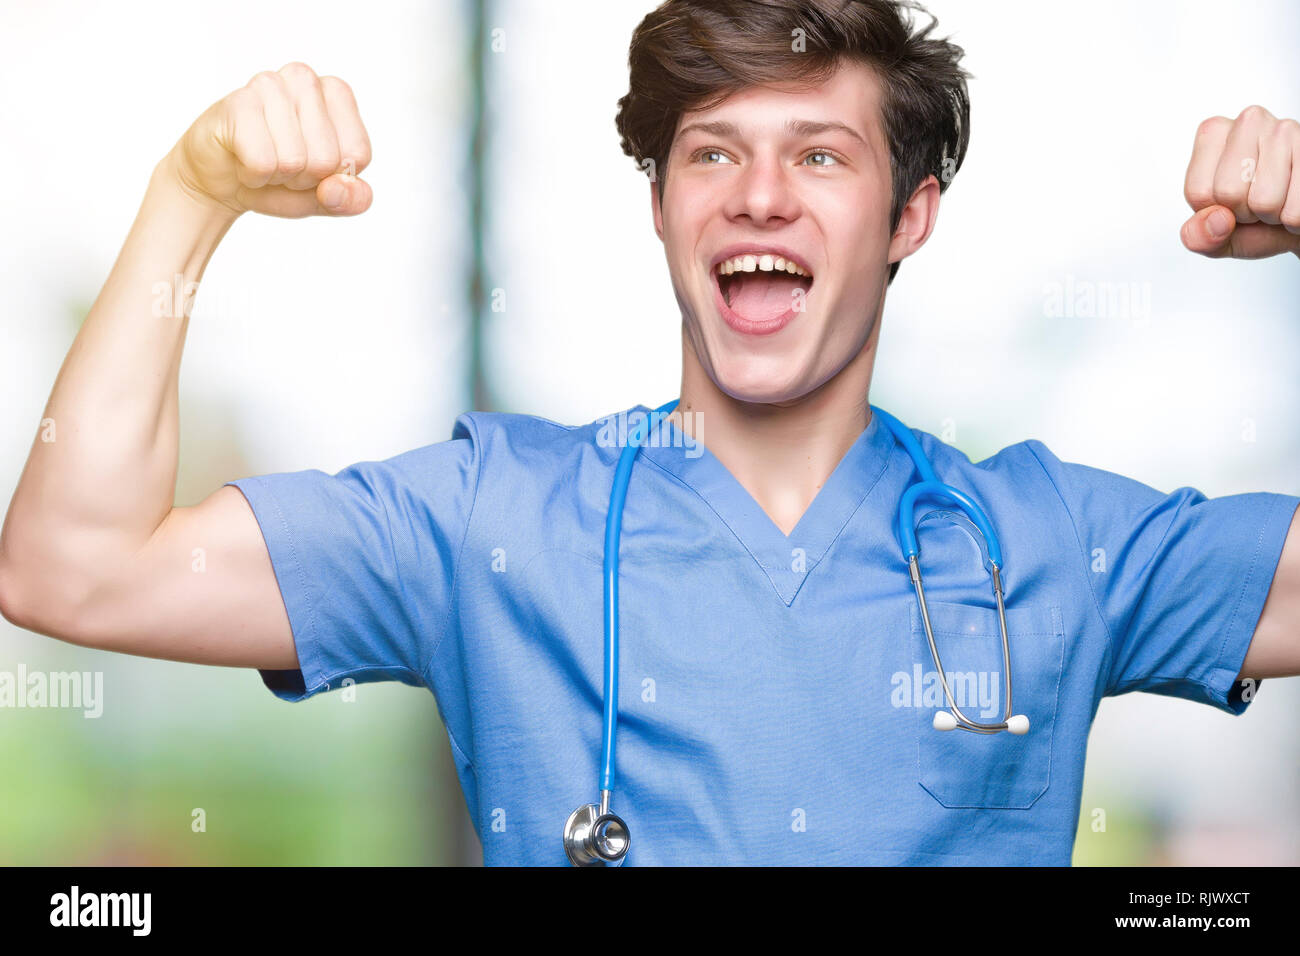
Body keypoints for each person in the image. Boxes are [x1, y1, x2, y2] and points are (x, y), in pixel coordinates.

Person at [2, 0, 1298, 866]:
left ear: (912, 217)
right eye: (712, 154)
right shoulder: (488, 521)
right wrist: (190, 197)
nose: (762, 199)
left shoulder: (1056, 541)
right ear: (665, 208)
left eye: (823, 158)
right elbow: (76, 566)